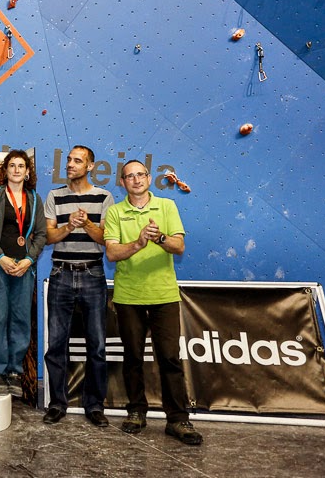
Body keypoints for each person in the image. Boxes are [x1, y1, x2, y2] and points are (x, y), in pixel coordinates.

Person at [104, 160, 203, 445]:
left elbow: (179, 246)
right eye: (129, 176)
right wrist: (138, 243)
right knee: (132, 358)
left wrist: (158, 236)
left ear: (149, 178)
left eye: (140, 175)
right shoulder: (115, 212)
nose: (135, 180)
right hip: (128, 297)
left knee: (170, 358)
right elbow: (112, 253)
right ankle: (136, 412)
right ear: (122, 183)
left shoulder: (167, 206)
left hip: (164, 296)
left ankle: (178, 419)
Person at [42, 146, 114, 427]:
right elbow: (49, 237)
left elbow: (106, 239)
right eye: (69, 160)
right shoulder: (55, 196)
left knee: (96, 346)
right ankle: (57, 404)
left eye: (77, 161)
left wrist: (87, 224)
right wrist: (69, 227)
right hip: (61, 273)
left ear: (90, 166)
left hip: (93, 275)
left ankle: (94, 406)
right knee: (56, 345)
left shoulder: (103, 197)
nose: (70, 165)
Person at [0, 150, 46, 397]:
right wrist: (1, 257)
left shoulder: (34, 199)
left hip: (23, 269)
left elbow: (42, 235)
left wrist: (28, 260)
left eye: (21, 166)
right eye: (12, 165)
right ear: (5, 171)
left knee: (21, 321)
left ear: (28, 172)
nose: (16, 170)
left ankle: (14, 372)